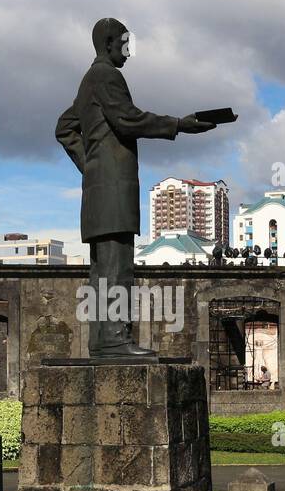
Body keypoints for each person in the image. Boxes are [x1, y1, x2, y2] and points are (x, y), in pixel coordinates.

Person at [56, 18, 216, 357]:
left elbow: (65, 128)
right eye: (125, 43)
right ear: (110, 42)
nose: (128, 52)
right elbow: (128, 119)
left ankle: (102, 340)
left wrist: (90, 166)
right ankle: (115, 339)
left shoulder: (89, 81)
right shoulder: (106, 75)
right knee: (117, 267)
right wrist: (179, 125)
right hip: (113, 188)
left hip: (99, 189)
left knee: (102, 268)